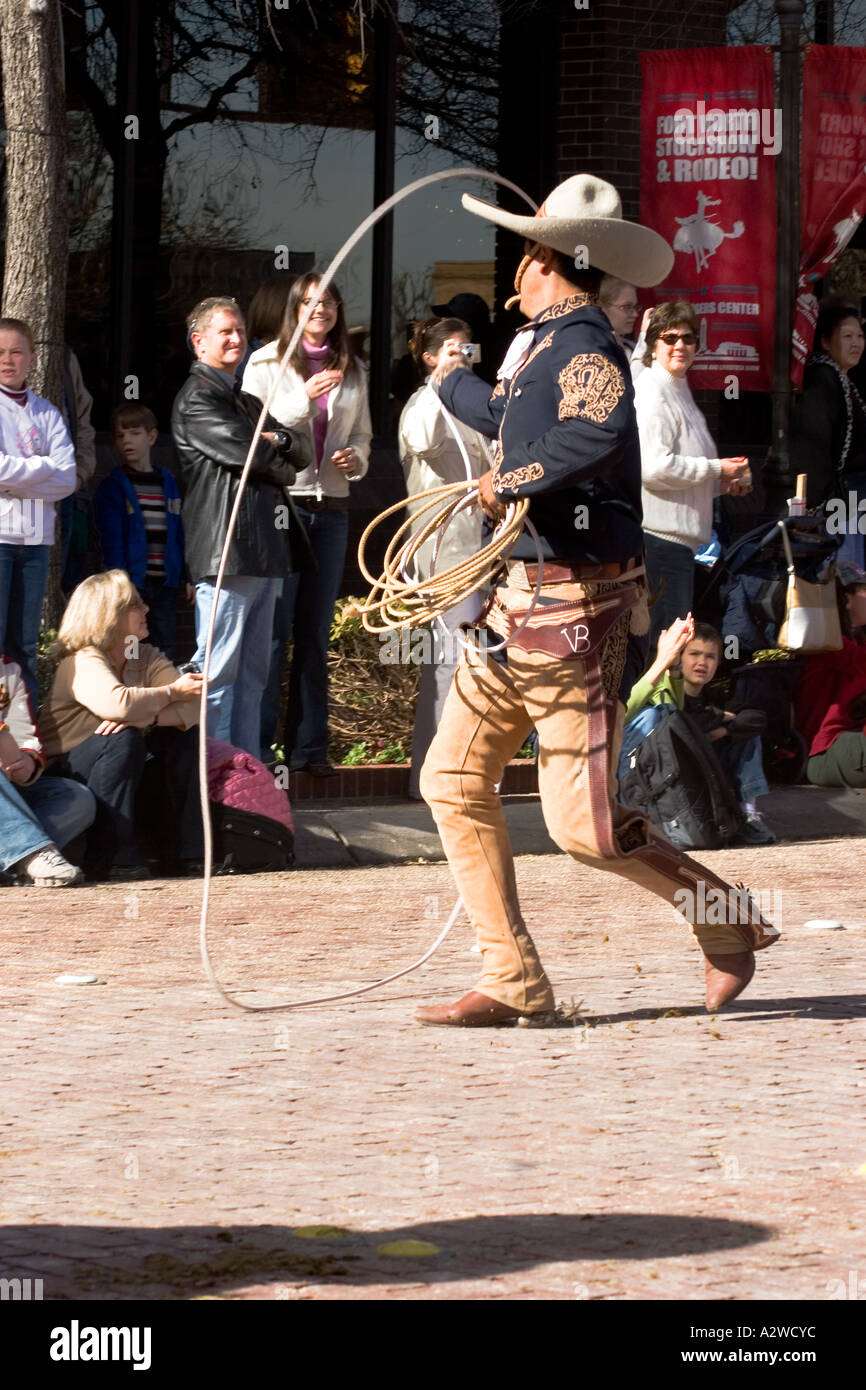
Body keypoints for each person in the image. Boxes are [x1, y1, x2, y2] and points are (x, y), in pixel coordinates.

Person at [414, 173, 779, 1028]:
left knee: (586, 828)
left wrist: (509, 480)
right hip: (521, 605)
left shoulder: (583, 346)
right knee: (451, 779)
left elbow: (592, 432)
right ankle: (512, 977)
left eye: (524, 252)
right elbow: (507, 413)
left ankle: (727, 922)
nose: (515, 268)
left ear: (543, 261)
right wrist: (445, 381)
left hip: (574, 610)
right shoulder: (544, 345)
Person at [172, 295, 312, 757]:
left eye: (240, 331)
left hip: (264, 552)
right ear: (199, 342)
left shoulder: (247, 401)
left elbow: (301, 453)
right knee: (216, 674)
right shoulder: (196, 398)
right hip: (227, 551)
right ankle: (210, 780)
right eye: (225, 332)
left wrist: (278, 439)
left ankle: (247, 778)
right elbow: (250, 455)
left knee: (254, 677)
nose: (237, 339)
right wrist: (274, 449)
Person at [243, 273, 372, 774]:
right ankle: (258, 749)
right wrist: (303, 399)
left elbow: (363, 437)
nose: (322, 309)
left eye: (330, 302)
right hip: (284, 506)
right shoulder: (264, 363)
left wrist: (355, 460)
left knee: (315, 634)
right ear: (295, 309)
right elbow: (255, 431)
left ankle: (309, 751)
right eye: (311, 302)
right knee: (274, 632)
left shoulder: (353, 368)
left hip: (332, 508)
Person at [39, 571, 205, 880]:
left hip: (118, 764)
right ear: (108, 614)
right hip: (65, 773)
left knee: (182, 737)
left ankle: (185, 854)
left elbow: (195, 709)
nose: (146, 609)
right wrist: (170, 693)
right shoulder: (81, 660)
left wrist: (145, 717)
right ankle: (110, 858)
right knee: (122, 740)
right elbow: (119, 704)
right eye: (136, 605)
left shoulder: (144, 655)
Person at [399, 316, 494, 797]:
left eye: (467, 349)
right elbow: (423, 440)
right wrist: (442, 383)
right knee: (451, 662)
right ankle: (435, 778)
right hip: (443, 553)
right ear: (430, 357)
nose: (462, 357)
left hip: (483, 550)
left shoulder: (475, 404)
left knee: (477, 662)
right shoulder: (422, 403)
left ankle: (460, 772)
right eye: (452, 349)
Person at [632, 300, 752, 649]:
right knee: (663, 649)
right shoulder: (653, 391)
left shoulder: (678, 389)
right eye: (670, 338)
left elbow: (680, 475)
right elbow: (654, 468)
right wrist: (716, 468)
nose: (680, 346)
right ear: (653, 344)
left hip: (677, 544)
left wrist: (721, 485)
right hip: (658, 543)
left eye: (688, 339)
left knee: (671, 646)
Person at [620, 616, 774, 844]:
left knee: (746, 737)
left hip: (698, 767)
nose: (702, 662)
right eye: (694, 654)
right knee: (654, 714)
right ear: (680, 656)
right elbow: (660, 720)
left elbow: (755, 718)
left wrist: (724, 731)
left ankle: (748, 815)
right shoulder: (659, 687)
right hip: (653, 771)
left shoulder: (715, 694)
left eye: (710, 656)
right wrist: (666, 663)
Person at [0, 317, 77, 707]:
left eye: (16, 352)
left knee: (24, 646)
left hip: (34, 541)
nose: (7, 360)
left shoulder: (47, 413)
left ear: (32, 358)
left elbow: (67, 479)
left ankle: (25, 732)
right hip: (0, 539)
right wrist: (43, 466)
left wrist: (12, 481)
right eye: (0, 352)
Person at [94, 404, 190, 659]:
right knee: (131, 645)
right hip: (133, 583)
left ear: (152, 436)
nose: (127, 440)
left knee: (164, 646)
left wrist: (187, 575)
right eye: (120, 435)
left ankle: (161, 684)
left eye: (134, 433)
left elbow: (180, 532)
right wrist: (122, 581)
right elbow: (112, 540)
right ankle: (132, 686)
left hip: (165, 582)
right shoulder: (114, 486)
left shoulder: (168, 483)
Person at [0, 649, 95, 886]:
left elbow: (24, 734)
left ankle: (14, 863)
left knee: (76, 797)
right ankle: (32, 853)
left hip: (8, 785)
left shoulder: (8, 669)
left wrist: (27, 761)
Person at [795, 560, 866, 787]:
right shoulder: (826, 643)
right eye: (864, 590)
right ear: (846, 599)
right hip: (825, 751)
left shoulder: (857, 642)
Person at [790, 304, 866, 511]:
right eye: (847, 336)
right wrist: (812, 505)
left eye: (860, 336)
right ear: (825, 342)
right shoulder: (823, 378)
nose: (856, 343)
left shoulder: (842, 380)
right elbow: (813, 449)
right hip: (835, 500)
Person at [599, 276, 640, 356]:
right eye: (626, 307)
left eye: (635, 307)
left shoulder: (631, 348)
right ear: (602, 307)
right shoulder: (593, 349)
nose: (635, 314)